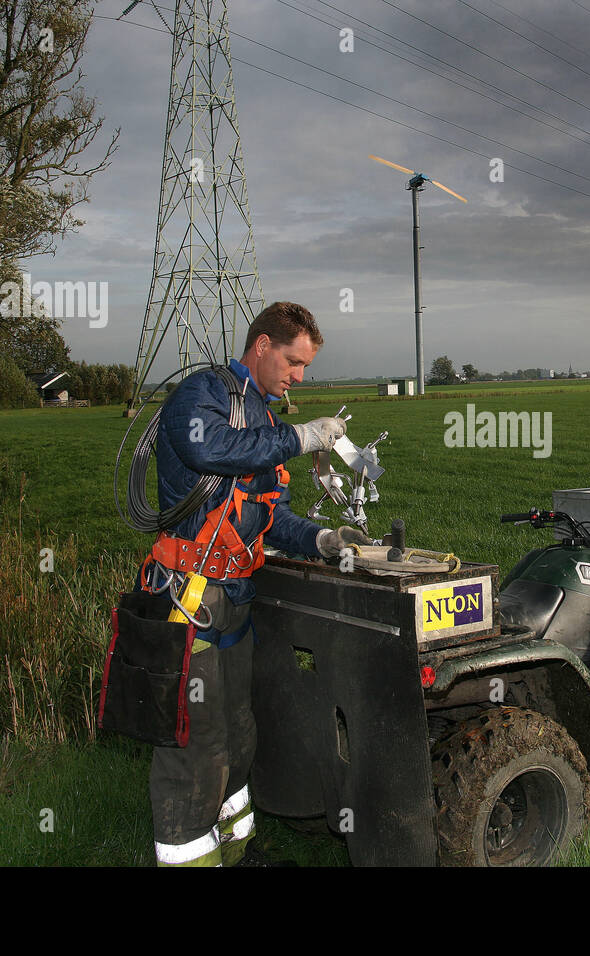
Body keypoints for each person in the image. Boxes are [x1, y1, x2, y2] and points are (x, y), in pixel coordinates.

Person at [137, 301, 370, 867]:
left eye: (306, 368)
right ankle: (190, 860)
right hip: (190, 597)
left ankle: (238, 851)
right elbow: (207, 449)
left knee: (240, 732)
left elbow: (270, 512)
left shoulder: (265, 420)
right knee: (196, 740)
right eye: (294, 362)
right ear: (262, 345)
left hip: (237, 599)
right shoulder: (203, 394)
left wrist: (318, 540)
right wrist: (301, 438)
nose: (298, 376)